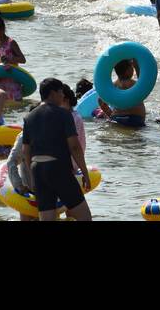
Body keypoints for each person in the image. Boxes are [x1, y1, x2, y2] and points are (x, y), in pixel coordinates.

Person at [21, 78, 92, 221]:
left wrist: (32, 175)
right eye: (61, 92)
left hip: (38, 169)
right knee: (85, 217)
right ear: (52, 93)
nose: (63, 96)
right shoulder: (64, 114)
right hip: (58, 168)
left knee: (47, 218)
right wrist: (84, 172)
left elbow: (26, 151)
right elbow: (74, 146)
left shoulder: (29, 117)